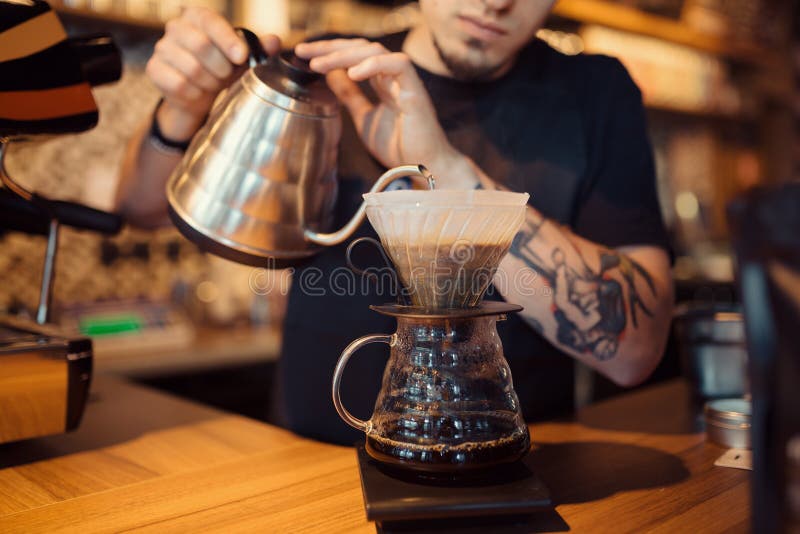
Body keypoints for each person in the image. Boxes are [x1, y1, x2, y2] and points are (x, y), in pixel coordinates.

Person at [116, 0, 674, 444]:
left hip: (514, 467)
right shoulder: (335, 75)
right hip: (305, 465)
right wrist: (183, 106)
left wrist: (449, 169)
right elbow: (140, 209)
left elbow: (634, 351)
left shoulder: (595, 93)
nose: (496, 2)